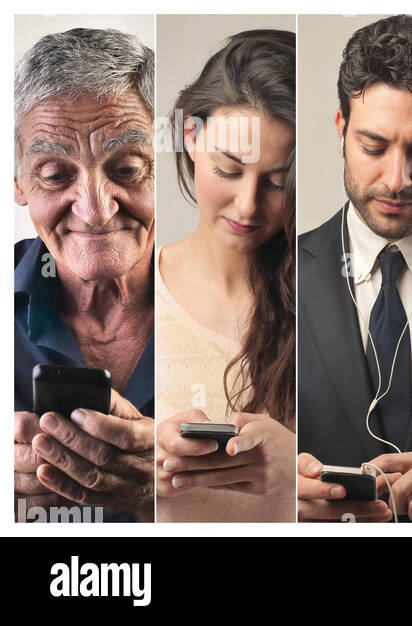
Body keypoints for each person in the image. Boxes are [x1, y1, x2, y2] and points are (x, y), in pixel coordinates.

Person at [297, 15, 412, 523]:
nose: (397, 180)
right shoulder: (278, 273)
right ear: (341, 130)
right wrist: (276, 495)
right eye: (374, 148)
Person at [153, 30, 297, 522]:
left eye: (278, 182)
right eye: (230, 170)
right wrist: (134, 467)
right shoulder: (132, 290)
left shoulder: (326, 302)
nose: (249, 206)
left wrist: (295, 474)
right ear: (190, 137)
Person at [14, 28, 156, 522]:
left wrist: (179, 491)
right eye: (55, 175)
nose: (95, 211)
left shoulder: (257, 301)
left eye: (129, 167)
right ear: (19, 183)